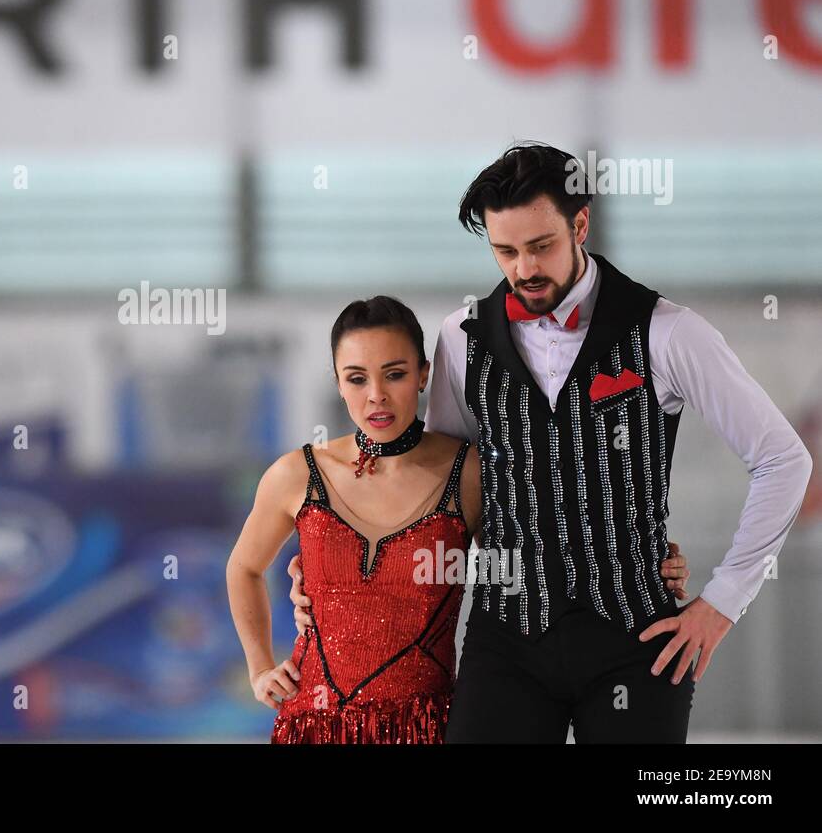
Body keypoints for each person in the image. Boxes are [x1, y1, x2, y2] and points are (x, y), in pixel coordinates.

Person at [294, 141, 812, 743]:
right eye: (505, 251)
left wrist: (723, 602)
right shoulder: (460, 339)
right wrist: (337, 574)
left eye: (540, 246)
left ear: (581, 224)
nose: (524, 269)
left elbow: (783, 459)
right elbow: (436, 494)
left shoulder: (669, 333)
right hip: (507, 639)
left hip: (635, 639)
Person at [227, 294, 692, 743]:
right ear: (336, 382)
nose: (376, 396)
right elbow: (244, 568)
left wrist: (645, 561)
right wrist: (259, 666)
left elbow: (550, 542)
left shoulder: (469, 472)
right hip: (313, 722)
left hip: (429, 725)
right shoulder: (296, 474)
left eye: (395, 374)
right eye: (356, 378)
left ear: (424, 374)